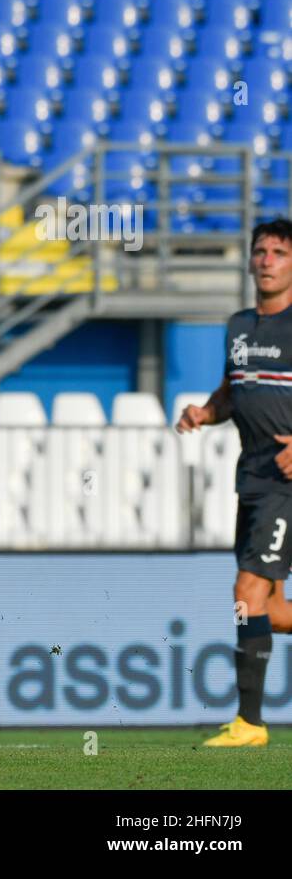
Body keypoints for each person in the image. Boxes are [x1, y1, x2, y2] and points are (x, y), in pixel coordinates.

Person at [177, 219, 292, 747]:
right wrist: (206, 411)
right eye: (260, 252)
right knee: (265, 606)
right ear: (248, 261)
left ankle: (250, 724)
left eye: (279, 253)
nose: (267, 261)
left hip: (285, 485)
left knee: (246, 594)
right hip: (251, 479)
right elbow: (234, 390)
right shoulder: (239, 326)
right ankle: (250, 722)